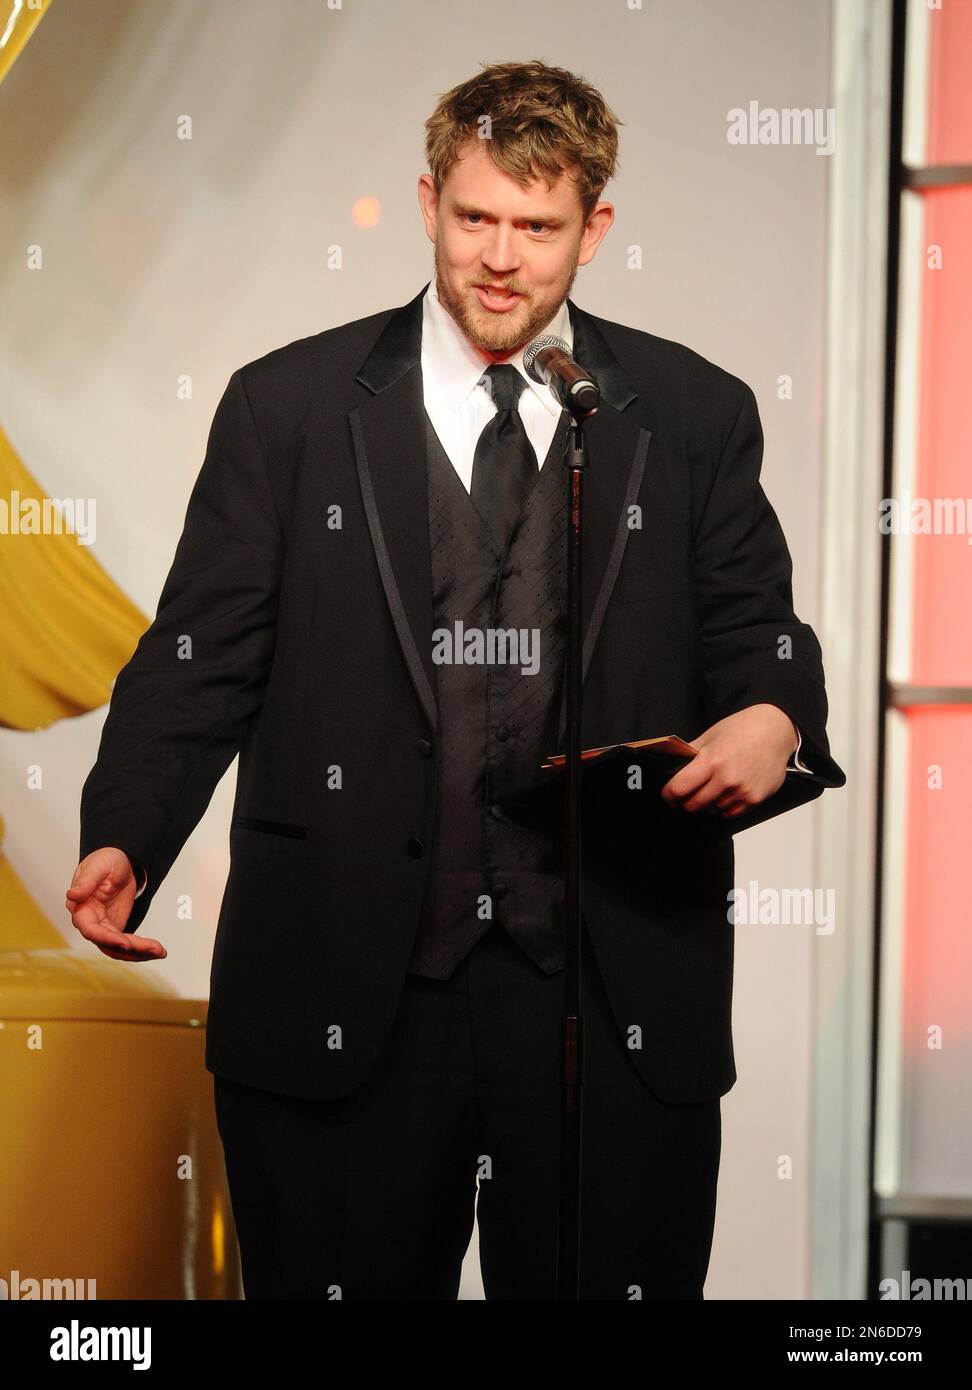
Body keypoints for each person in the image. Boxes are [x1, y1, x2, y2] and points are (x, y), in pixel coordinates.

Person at [66, 59, 844, 1300]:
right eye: (474, 216)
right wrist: (126, 833)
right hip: (341, 1008)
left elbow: (764, 636)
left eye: (537, 228)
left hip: (608, 1004)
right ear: (427, 199)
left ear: (594, 229)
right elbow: (199, 656)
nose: (499, 256)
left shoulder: (695, 416)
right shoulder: (288, 408)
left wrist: (772, 715)